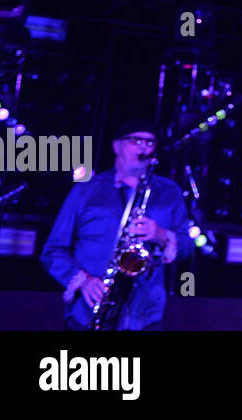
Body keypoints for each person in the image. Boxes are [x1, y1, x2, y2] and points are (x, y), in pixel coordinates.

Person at [40, 118, 193, 330]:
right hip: (88, 311)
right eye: (136, 141)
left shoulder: (170, 192)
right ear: (116, 146)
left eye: (150, 143)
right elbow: (53, 251)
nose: (144, 148)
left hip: (145, 313)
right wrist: (83, 281)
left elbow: (187, 247)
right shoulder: (87, 190)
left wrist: (161, 235)